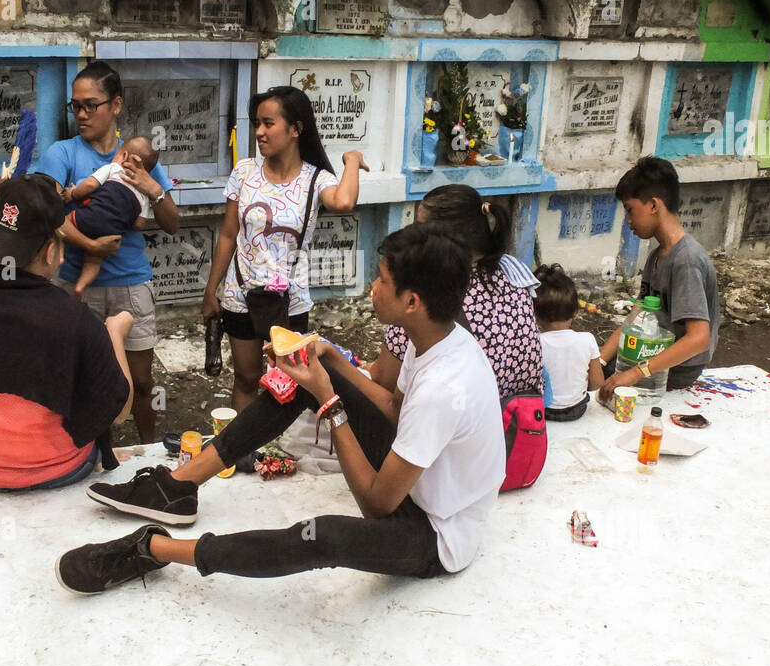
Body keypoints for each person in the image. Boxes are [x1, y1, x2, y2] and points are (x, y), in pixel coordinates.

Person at [56, 224, 504, 594]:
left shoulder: (444, 388)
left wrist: (330, 402)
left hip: (435, 532)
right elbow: (391, 407)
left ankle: (152, 549)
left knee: (321, 537)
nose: (372, 288)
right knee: (305, 376)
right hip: (416, 482)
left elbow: (378, 504)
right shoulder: (435, 336)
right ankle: (179, 485)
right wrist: (327, 356)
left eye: (383, 281)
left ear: (411, 301)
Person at [86, 183, 541, 524]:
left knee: (310, 379)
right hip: (515, 444)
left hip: (436, 472)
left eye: (416, 231)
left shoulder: (429, 315)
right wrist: (336, 360)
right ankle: (184, 484)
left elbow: (387, 410)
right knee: (316, 367)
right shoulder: (515, 276)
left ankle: (181, 485)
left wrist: (328, 392)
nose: (374, 285)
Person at [0, 175, 136, 492]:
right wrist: (114, 333)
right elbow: (120, 410)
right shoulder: (76, 320)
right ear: (52, 252)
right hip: (57, 469)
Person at [34, 62, 180, 444]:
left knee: (143, 381)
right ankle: (91, 454)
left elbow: (171, 223)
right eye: (75, 106)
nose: (81, 114)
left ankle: (148, 450)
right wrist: (89, 245)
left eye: (90, 105)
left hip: (131, 284)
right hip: (77, 286)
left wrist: (152, 188)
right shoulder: (62, 153)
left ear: (116, 104)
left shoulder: (137, 157)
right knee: (83, 378)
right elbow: (45, 214)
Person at [201, 86, 367, 411]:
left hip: (289, 300)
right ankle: (244, 453)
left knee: (286, 382)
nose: (259, 132)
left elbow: (344, 201)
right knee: (246, 379)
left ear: (295, 129)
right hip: (241, 294)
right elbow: (228, 235)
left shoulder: (315, 179)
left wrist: (351, 160)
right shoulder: (244, 172)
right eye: (257, 124)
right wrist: (211, 291)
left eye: (268, 123)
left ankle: (277, 454)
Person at [369, 184, 543, 400]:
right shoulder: (514, 269)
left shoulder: (427, 300)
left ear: (441, 243)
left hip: (466, 421)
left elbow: (383, 381)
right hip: (524, 418)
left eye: (419, 230)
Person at [598, 156, 720, 401]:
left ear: (654, 205)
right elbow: (634, 318)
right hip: (647, 348)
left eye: (630, 210)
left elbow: (699, 338)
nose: (629, 220)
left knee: (604, 386)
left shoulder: (685, 260)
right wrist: (599, 360)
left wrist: (636, 372)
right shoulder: (657, 254)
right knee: (593, 373)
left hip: (678, 367)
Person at [65, 136, 160, 298]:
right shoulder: (144, 195)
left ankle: (58, 257)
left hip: (88, 217)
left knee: (63, 223)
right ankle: (81, 285)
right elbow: (138, 224)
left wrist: (72, 194)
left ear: (123, 156)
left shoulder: (113, 169)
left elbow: (89, 185)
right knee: (94, 260)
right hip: (110, 232)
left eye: (118, 153)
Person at [534, 264, 603, 421]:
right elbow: (597, 383)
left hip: (545, 410)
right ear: (576, 312)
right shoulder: (587, 339)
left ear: (535, 315)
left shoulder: (534, 343)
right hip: (578, 408)